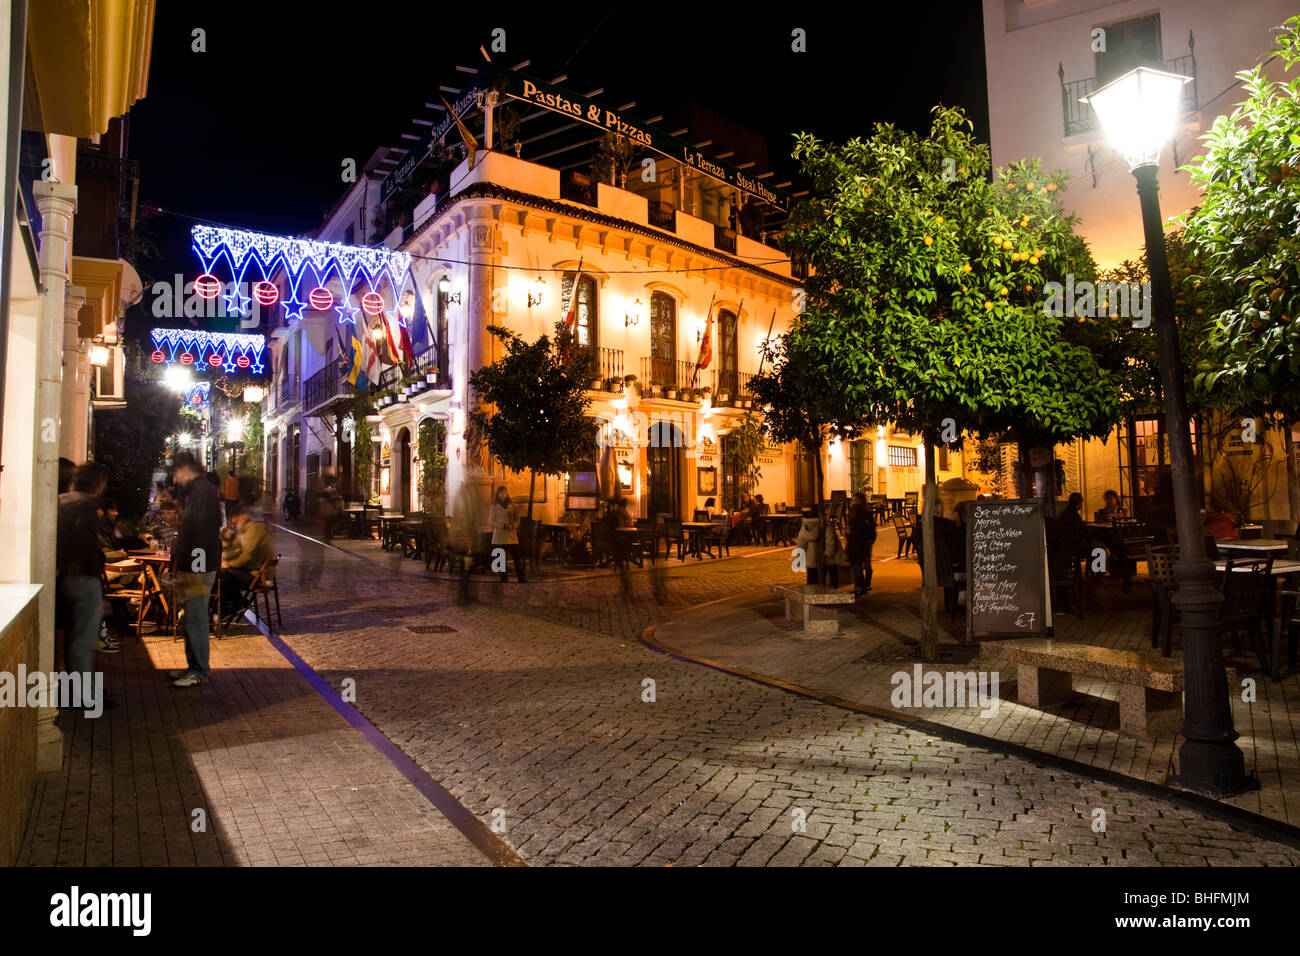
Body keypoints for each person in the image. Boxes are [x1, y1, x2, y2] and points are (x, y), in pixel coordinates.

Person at [169, 452, 221, 688]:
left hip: (197, 566)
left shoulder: (202, 491)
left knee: (196, 617)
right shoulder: (200, 491)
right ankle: (193, 666)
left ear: (184, 469)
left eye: (176, 473)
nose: (174, 479)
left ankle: (199, 670)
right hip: (194, 565)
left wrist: (193, 568)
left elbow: (201, 532)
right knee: (190, 617)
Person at [58, 463, 111, 679]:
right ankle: (83, 694)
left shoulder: (61, 501)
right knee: (83, 641)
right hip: (84, 579)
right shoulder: (88, 505)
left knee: (73, 638)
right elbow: (85, 543)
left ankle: (76, 689)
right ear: (98, 483)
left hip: (63, 577)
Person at [219, 503, 273, 616]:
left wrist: (229, 564)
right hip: (254, 571)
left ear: (241, 516)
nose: (233, 522)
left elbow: (247, 556)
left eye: (233, 518)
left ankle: (226, 609)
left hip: (258, 575)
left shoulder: (254, 529)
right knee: (224, 575)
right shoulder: (249, 529)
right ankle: (238, 604)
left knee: (224, 575)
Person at [795, 503, 845, 588]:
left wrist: (799, 556)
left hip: (812, 557)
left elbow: (801, 542)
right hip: (828, 558)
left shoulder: (805, 526)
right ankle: (834, 592)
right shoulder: (825, 524)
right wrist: (828, 554)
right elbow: (830, 541)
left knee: (812, 577)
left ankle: (812, 594)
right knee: (832, 576)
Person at [488, 484, 526, 583]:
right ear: (498, 494)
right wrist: (502, 525)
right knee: (501, 558)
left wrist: (513, 526)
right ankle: (504, 578)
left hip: (511, 535)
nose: (503, 495)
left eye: (504, 492)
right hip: (500, 536)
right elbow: (491, 521)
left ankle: (521, 578)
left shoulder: (512, 505)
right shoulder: (494, 506)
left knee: (517, 558)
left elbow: (517, 519)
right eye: (501, 493)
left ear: (507, 493)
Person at [846, 492, 876, 596]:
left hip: (861, 542)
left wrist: (869, 539)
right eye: (852, 500)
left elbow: (871, 528)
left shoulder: (861, 512)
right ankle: (863, 586)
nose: (853, 502)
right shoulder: (854, 512)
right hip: (860, 542)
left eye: (855, 500)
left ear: (861, 500)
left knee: (860, 564)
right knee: (859, 564)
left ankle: (863, 585)